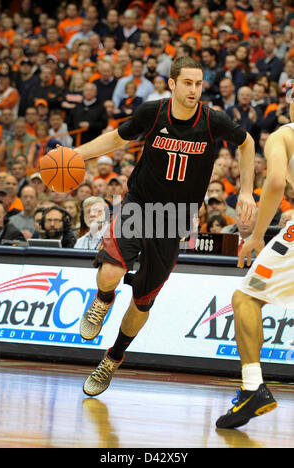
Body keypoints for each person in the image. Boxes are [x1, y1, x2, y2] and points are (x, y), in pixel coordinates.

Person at [59, 56, 256, 397]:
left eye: (199, 84)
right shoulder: (153, 113)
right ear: (172, 84)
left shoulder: (213, 120)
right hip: (140, 206)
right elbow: (116, 139)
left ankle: (112, 358)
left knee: (142, 302)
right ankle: (103, 300)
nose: (194, 90)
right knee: (109, 272)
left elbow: (247, 143)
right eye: (188, 83)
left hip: (175, 220)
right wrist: (78, 154)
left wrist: (247, 191)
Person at [216, 101, 294, 430]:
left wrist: (257, 235)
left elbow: (275, 182)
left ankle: (253, 388)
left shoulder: (283, 136)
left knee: (246, 297)